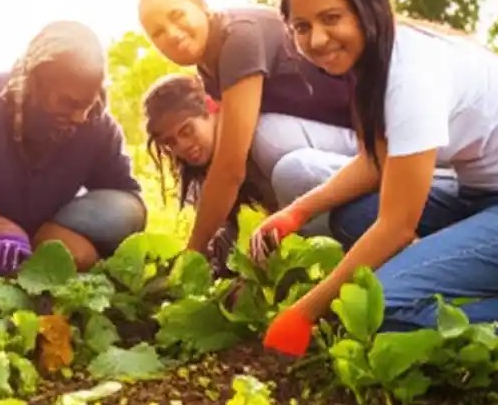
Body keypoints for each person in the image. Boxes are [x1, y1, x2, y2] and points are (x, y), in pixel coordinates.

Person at [260, 0, 498, 357]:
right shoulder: (376, 62)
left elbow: (398, 225)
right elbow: (376, 163)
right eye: (301, 26)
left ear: (368, 8)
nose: (317, 38)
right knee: (353, 217)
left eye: (331, 18)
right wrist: (299, 212)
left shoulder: (410, 71)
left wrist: (306, 312)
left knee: (383, 310)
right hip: (491, 198)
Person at [137, 0, 356, 265]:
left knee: (267, 141)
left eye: (177, 16)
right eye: (158, 33)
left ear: (201, 5)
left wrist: (192, 255)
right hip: (326, 149)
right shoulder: (209, 67)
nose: (172, 34)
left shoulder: (240, 36)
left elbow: (230, 168)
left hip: (363, 136)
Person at [0, 21, 146, 282]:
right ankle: (17, 270)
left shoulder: (96, 122)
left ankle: (40, 251)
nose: (80, 117)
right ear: (36, 82)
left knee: (126, 212)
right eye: (68, 103)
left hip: (46, 224)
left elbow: (125, 196)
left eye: (87, 105)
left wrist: (68, 240)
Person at [142, 72, 358, 273]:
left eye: (187, 131)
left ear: (210, 107)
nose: (182, 146)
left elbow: (307, 187)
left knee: (290, 173)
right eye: (171, 143)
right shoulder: (207, 171)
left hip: (366, 193)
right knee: (226, 243)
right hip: (321, 220)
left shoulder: (266, 138)